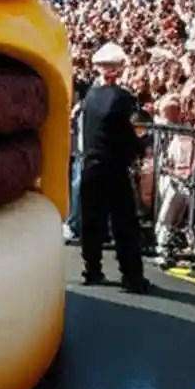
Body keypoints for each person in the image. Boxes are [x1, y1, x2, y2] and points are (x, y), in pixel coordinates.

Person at [79, 42, 151, 293]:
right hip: (113, 168)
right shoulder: (122, 98)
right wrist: (139, 149)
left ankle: (92, 269)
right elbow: (126, 134)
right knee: (123, 224)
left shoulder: (90, 96)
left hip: (91, 164)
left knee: (92, 221)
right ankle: (132, 277)